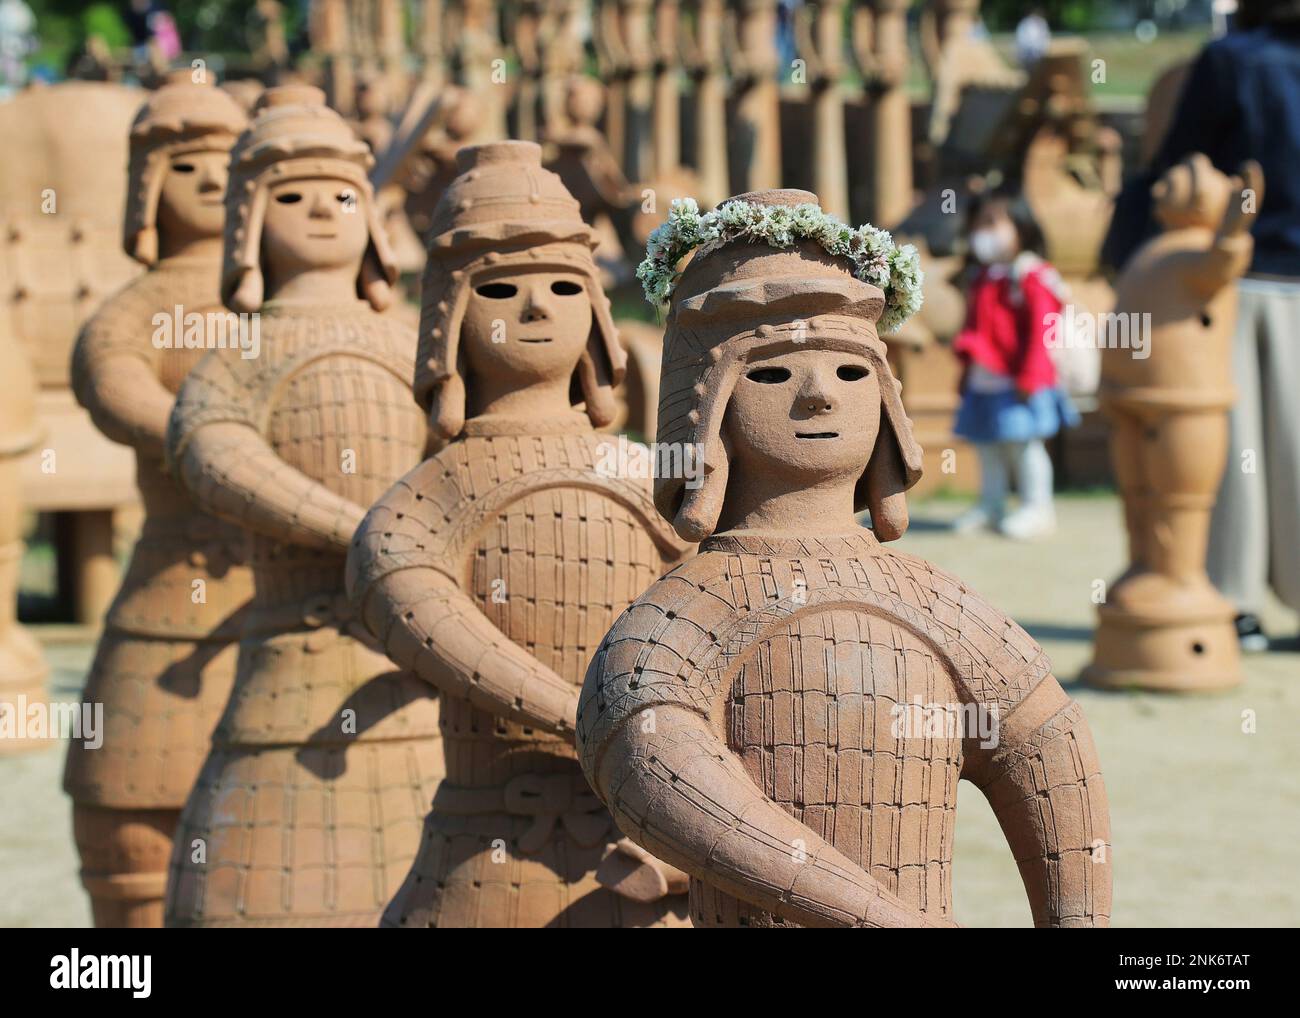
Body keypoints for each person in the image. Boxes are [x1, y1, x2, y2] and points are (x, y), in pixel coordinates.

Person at [1109, 0, 1300, 650]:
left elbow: (1183, 167)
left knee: (1232, 445)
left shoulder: (1230, 61)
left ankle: (1230, 600)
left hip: (1236, 281)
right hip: (1263, 273)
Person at [951, 187, 1078, 539]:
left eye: (992, 222)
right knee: (986, 445)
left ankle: (1038, 508)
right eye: (978, 223)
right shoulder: (982, 278)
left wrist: (1032, 375)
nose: (983, 231)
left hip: (1021, 380)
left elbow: (1044, 330)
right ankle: (991, 505)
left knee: (1024, 445)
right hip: (984, 379)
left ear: (1021, 225)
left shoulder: (1033, 276)